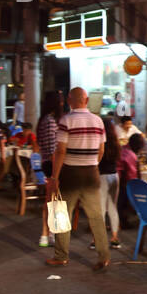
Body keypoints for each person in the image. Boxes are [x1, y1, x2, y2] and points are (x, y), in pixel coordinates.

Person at [47, 87, 110, 270]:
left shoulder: (66, 120)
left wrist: (54, 177)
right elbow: (101, 150)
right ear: (87, 100)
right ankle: (103, 257)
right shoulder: (98, 121)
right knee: (96, 216)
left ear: (69, 100)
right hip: (92, 173)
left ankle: (61, 255)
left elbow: (61, 150)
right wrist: (92, 163)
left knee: (61, 213)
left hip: (70, 173)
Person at [37, 92, 62, 248]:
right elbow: (53, 149)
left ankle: (48, 234)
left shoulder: (43, 121)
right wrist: (56, 172)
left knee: (51, 200)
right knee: (52, 201)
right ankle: (47, 234)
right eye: (60, 102)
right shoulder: (51, 122)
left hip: (46, 162)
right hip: (53, 164)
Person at [95, 116, 123, 251]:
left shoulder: (100, 141)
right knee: (113, 207)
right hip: (114, 175)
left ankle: (98, 240)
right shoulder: (116, 143)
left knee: (100, 209)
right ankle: (115, 238)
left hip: (102, 176)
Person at [117, 132, 142, 229]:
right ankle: (124, 221)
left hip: (115, 178)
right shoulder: (131, 155)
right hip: (122, 181)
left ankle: (122, 219)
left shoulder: (123, 148)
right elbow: (132, 177)